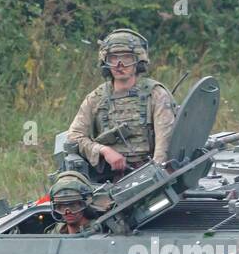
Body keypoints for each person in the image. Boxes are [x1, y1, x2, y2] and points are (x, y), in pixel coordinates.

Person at [65, 28, 177, 180]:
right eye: (113, 58)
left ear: (138, 60)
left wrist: (154, 177)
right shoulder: (96, 98)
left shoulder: (155, 94)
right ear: (105, 61)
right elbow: (74, 136)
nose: (119, 64)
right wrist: (103, 150)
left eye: (126, 58)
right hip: (109, 178)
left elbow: (164, 145)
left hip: (150, 174)